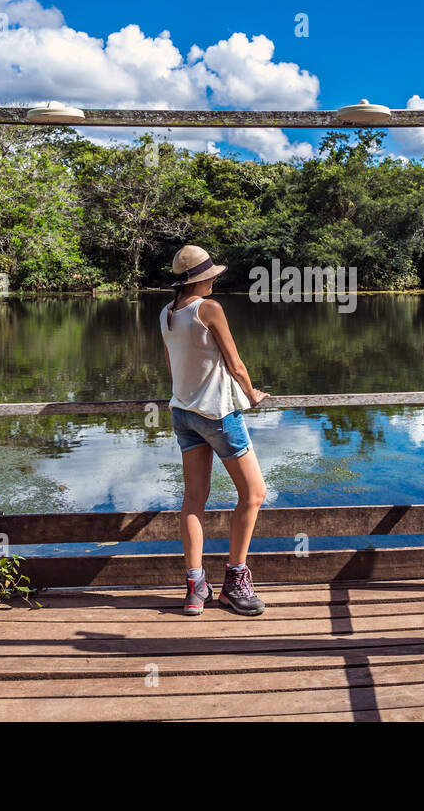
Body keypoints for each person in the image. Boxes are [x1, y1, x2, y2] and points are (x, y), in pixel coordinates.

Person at [160, 245, 270, 616]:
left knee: (194, 499)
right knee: (254, 494)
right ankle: (234, 583)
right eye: (211, 276)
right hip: (218, 415)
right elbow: (235, 363)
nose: (214, 281)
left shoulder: (167, 313)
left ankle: (195, 588)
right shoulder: (209, 309)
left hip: (183, 413)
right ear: (201, 279)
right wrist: (252, 395)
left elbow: (173, 369)